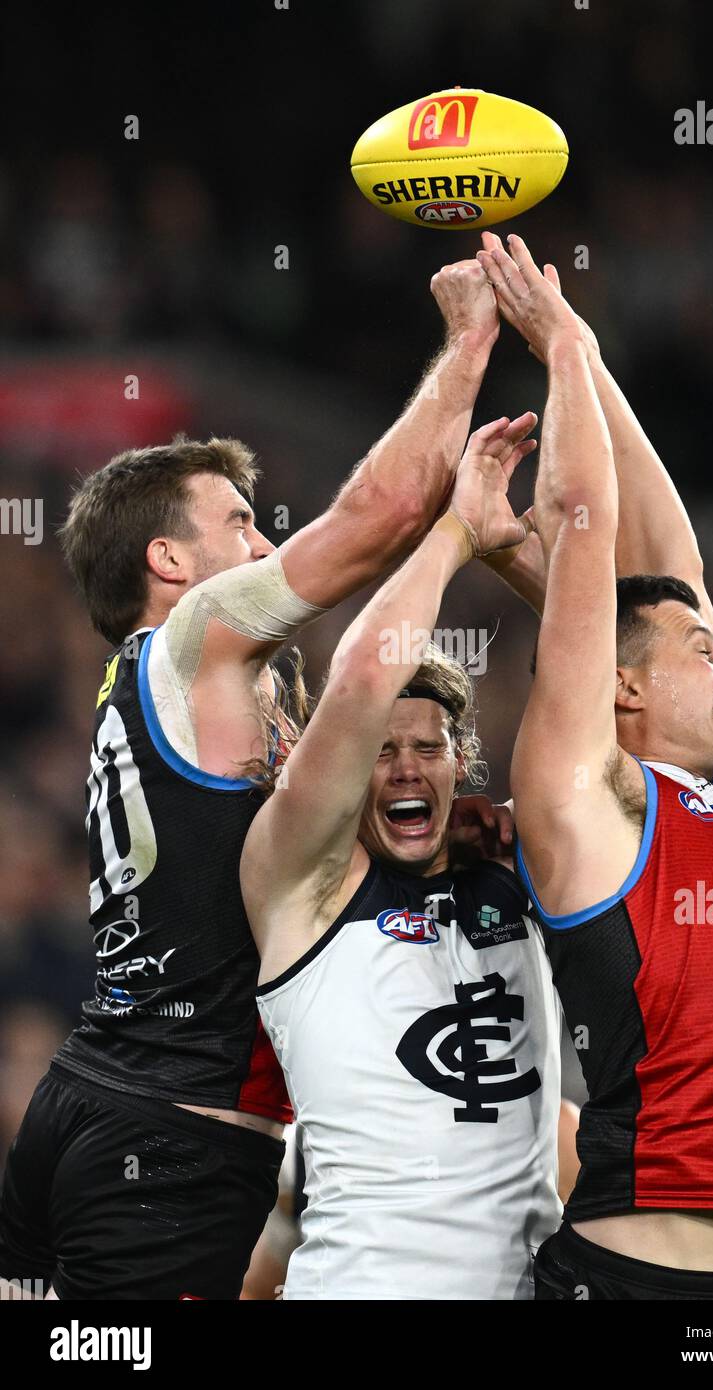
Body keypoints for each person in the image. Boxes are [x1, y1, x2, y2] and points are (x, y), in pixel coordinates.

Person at [0, 258, 518, 1301]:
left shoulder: (140, 693)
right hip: (174, 1139)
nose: (266, 539)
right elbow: (379, 511)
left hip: (93, 1101)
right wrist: (465, 352)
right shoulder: (192, 636)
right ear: (168, 561)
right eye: (238, 521)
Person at [476, 232, 713, 1301]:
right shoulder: (587, 796)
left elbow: (665, 565)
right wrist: (557, 359)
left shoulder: (705, 800)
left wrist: (580, 342)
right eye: (705, 655)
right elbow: (591, 544)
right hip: (642, 1282)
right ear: (623, 692)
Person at [241, 416, 563, 1300]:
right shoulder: (298, 882)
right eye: (382, 752)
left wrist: (509, 555)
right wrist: (456, 534)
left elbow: (623, 681)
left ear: (463, 762)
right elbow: (358, 681)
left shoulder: (520, 865)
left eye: (429, 747)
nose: (407, 767)